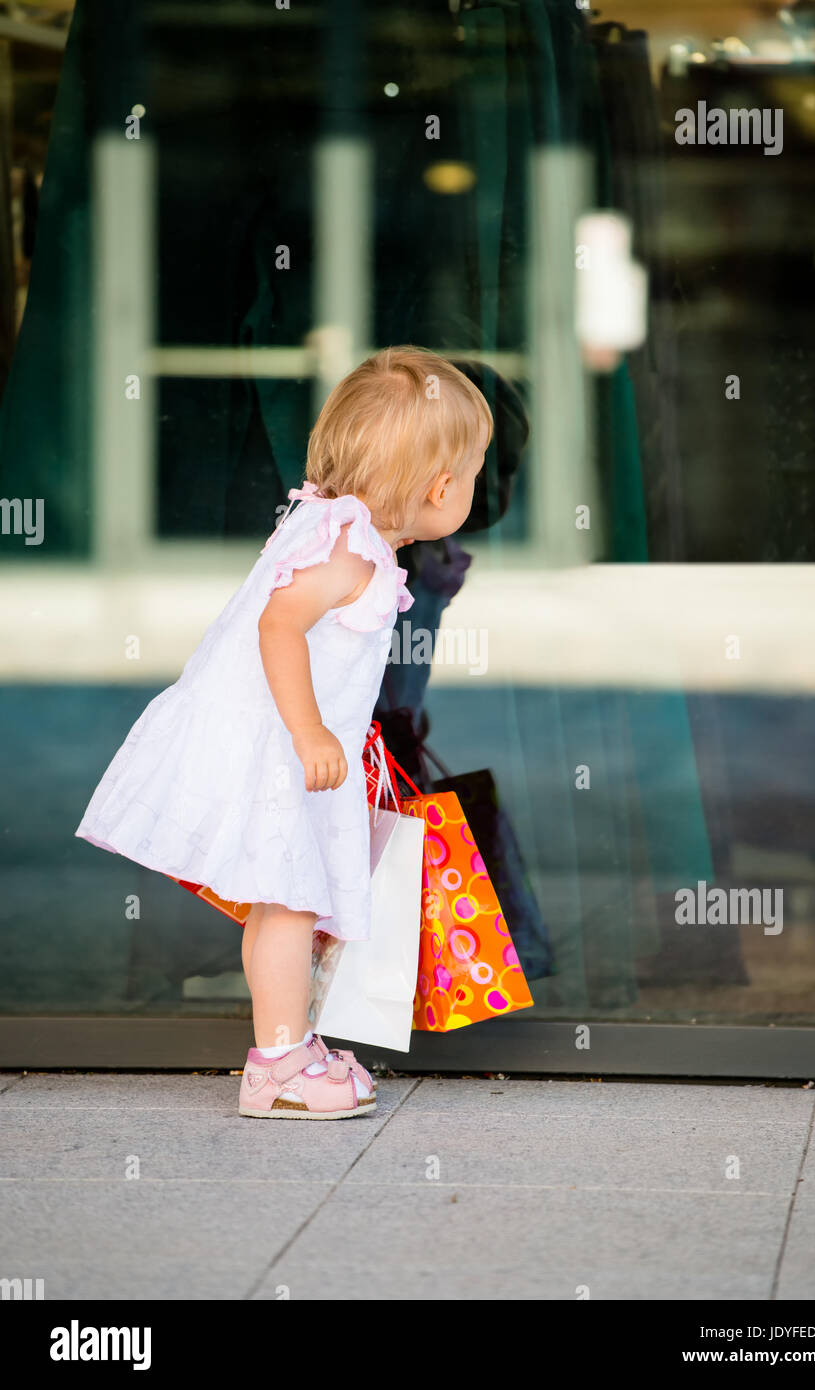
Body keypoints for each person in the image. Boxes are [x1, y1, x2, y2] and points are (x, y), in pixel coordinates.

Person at [75, 345, 492, 1119]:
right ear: (440, 486)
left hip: (281, 750)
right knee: (290, 905)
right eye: (470, 470)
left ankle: (291, 1043)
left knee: (282, 904)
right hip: (280, 754)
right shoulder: (345, 551)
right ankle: (277, 1066)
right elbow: (278, 628)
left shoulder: (336, 527)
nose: (469, 484)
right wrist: (310, 733)